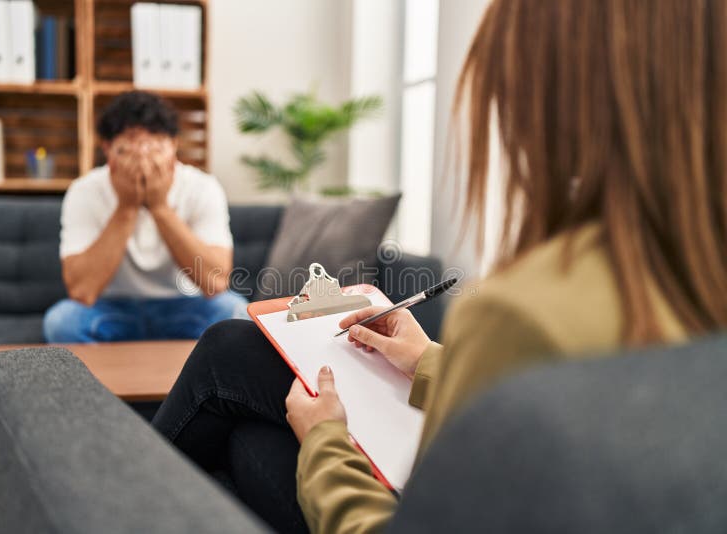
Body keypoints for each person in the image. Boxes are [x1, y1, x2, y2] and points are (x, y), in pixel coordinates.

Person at [152, 1, 727, 532]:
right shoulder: (693, 276)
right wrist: (424, 360)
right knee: (232, 349)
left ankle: (124, 494)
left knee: (247, 436)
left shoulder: (524, 315)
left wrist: (326, 441)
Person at [43, 91, 246, 343]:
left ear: (173, 146)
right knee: (61, 322)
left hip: (185, 304)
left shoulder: (202, 187)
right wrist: (127, 207)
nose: (143, 158)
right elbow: (82, 291)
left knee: (236, 313)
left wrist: (159, 206)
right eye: (129, 147)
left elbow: (215, 282)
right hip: (113, 308)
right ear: (108, 149)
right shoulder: (84, 191)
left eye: (155, 146)